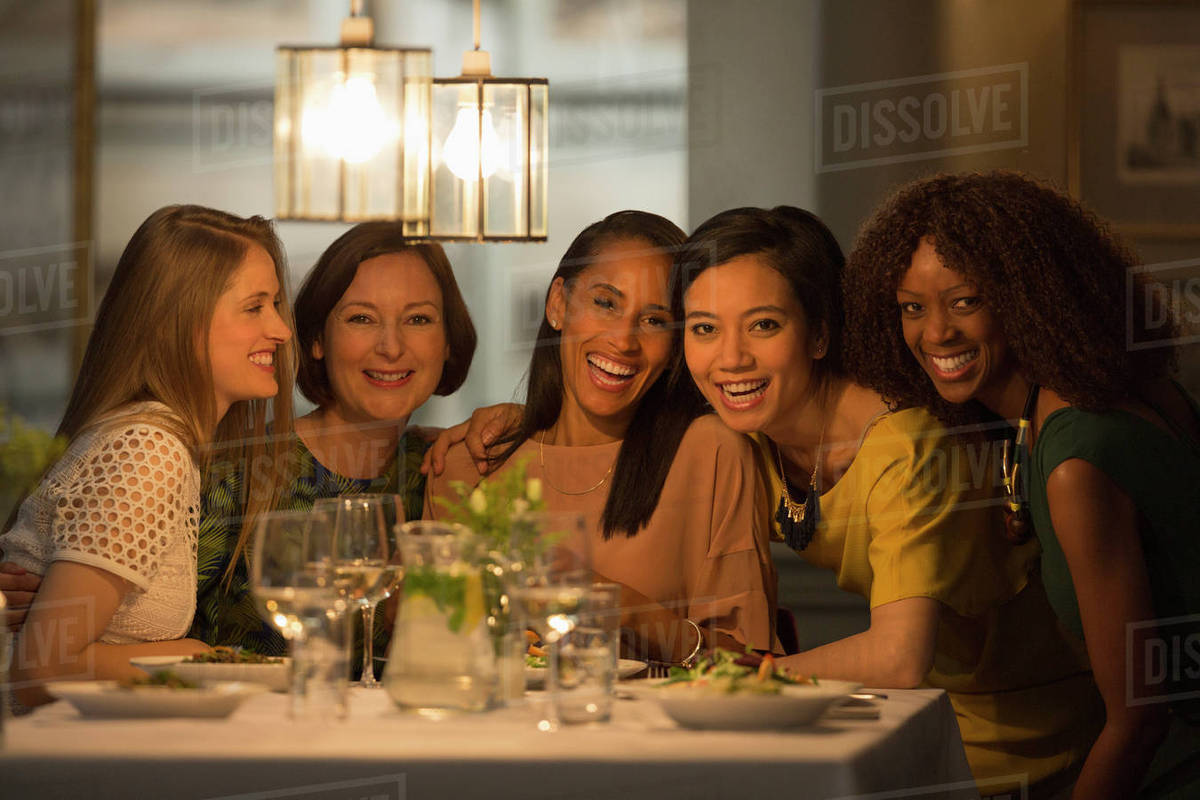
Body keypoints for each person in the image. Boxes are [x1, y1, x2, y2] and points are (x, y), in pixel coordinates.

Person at [672, 205, 1104, 799]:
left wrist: (753, 676)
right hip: (913, 716)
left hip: (1028, 736)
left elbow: (899, 656)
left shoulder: (904, 442)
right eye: (704, 328)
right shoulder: (745, 436)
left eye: (763, 325)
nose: (730, 358)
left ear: (820, 334)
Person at [842, 170, 1200, 800]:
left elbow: (1139, 720)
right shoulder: (1112, 394)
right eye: (911, 307)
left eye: (965, 301)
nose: (935, 333)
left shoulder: (1074, 464)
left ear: (1031, 297)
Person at [425, 211, 780, 661]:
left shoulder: (710, 453)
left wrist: (625, 609)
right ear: (558, 304)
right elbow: (431, 646)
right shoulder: (467, 463)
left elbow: (746, 664)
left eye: (655, 320)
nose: (624, 341)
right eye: (606, 304)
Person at [0, 205, 295, 706]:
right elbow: (41, 671)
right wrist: (198, 656)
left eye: (276, 304)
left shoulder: (157, 437)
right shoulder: (147, 448)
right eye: (255, 307)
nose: (281, 330)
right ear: (180, 321)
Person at [193, 223, 476, 665]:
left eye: (418, 319)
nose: (391, 347)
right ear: (317, 340)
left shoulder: (445, 474)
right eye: (362, 318)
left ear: (447, 344)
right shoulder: (237, 469)